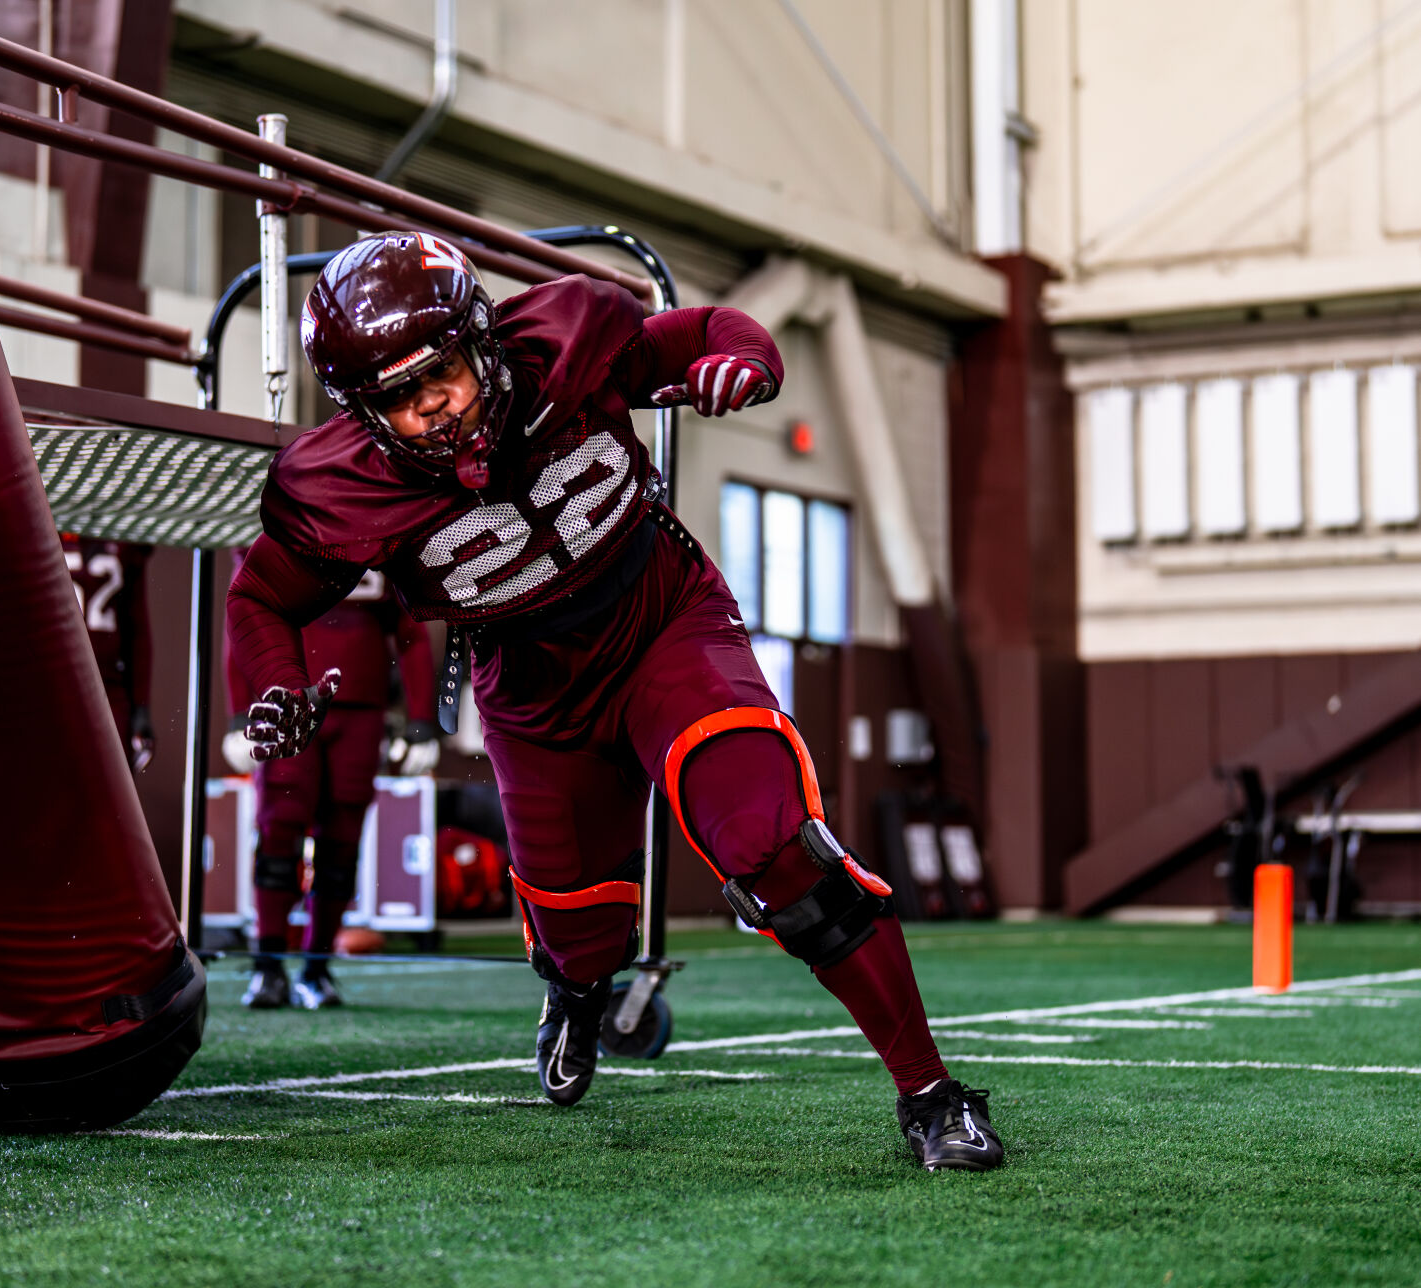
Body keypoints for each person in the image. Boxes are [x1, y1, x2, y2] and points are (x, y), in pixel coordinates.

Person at [226, 231, 1003, 1172]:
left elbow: (711, 328)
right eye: (394, 395)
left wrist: (743, 362)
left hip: (662, 622)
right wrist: (268, 686)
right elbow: (262, 595)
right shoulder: (340, 482)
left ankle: (930, 1093)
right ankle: (575, 989)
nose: (429, 405)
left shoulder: (565, 333)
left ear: (481, 337)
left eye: (440, 373)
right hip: (531, 692)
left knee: (772, 843)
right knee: (581, 932)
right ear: (360, 410)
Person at [223, 562, 438, 1009]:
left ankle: (316, 968)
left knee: (343, 838)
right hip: (289, 697)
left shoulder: (387, 528)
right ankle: (268, 966)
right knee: (280, 829)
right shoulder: (283, 522)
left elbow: (410, 631)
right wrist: (239, 711)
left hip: (361, 705)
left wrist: (421, 720)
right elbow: (245, 616)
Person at [61, 534, 155, 773]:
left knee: (112, 795)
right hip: (52, 688)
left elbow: (137, 628)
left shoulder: (121, 536)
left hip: (108, 688)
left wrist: (141, 707)